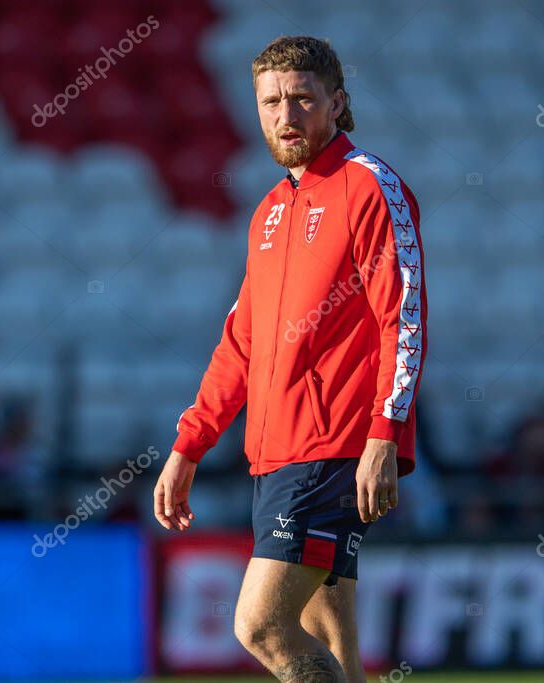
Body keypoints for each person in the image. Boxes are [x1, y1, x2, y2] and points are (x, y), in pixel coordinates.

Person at [152, 36, 426, 682]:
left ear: (337, 103)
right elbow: (240, 343)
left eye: (302, 99)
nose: (286, 115)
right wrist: (188, 445)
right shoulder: (270, 212)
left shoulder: (370, 187)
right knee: (339, 651)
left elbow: (403, 316)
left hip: (332, 450)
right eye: (271, 101)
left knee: (261, 625)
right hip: (275, 453)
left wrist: (385, 433)